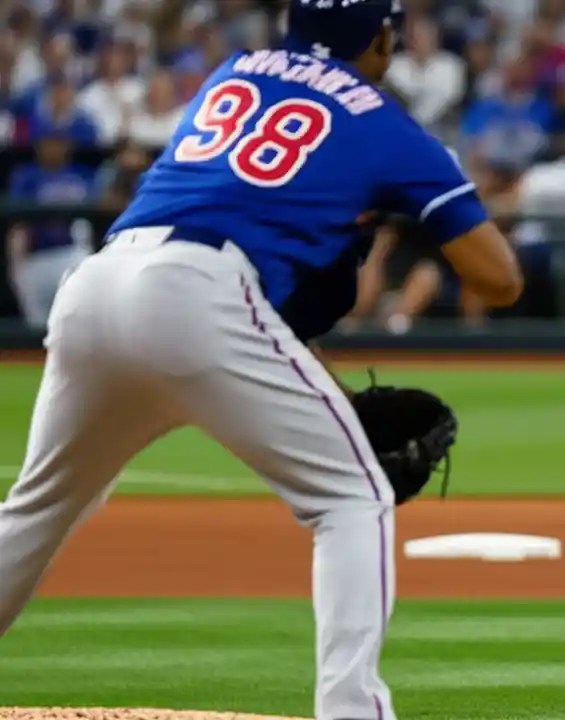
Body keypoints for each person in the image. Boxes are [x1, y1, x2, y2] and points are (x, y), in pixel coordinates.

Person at [0, 5, 523, 720]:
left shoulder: (233, 72)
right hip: (197, 294)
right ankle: (353, 712)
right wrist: (401, 207)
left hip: (97, 285)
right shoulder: (386, 124)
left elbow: (251, 242)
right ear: (382, 38)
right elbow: (500, 280)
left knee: (39, 507)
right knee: (351, 496)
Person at [5, 126, 96, 327]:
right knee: (37, 327)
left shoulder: (82, 175)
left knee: (75, 322)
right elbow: (17, 225)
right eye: (48, 143)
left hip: (70, 253)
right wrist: (17, 265)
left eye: (59, 142)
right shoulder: (26, 177)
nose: (53, 148)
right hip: (35, 257)